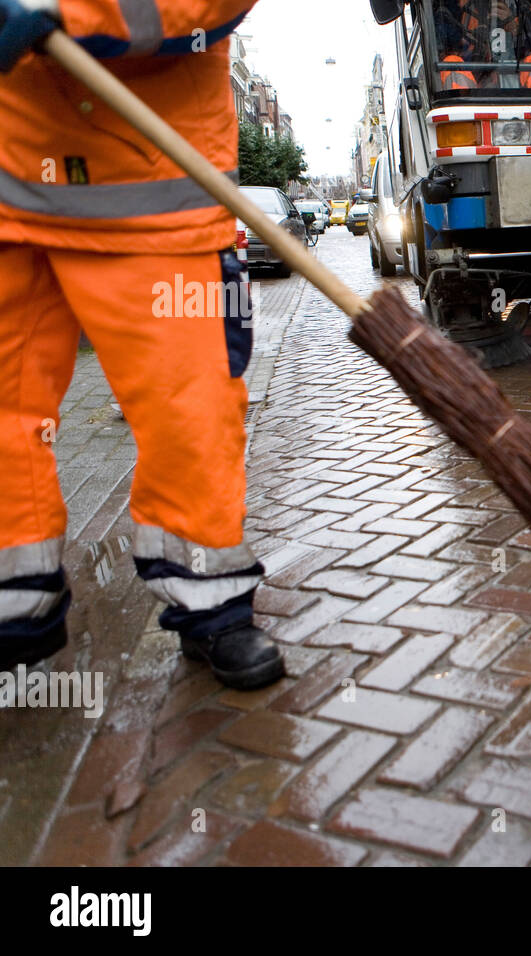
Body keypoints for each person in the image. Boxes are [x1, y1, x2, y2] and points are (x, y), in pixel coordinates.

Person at [0, 0, 284, 689]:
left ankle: (211, 605)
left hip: (155, 200)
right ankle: (13, 607)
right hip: (9, 181)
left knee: (192, 409)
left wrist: (64, 9)